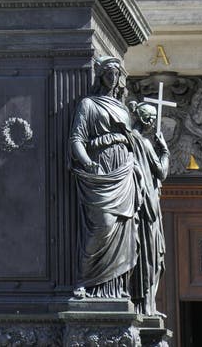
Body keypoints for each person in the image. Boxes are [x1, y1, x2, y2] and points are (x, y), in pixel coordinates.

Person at [69, 56, 139, 299]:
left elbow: (131, 140)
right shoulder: (88, 104)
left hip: (123, 172)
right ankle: (83, 280)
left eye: (117, 73)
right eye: (109, 72)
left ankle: (114, 288)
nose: (113, 77)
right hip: (100, 170)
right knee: (104, 225)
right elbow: (76, 139)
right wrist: (88, 162)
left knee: (123, 228)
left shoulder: (122, 108)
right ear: (100, 75)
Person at [130, 101, 170, 316]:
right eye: (153, 119)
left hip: (138, 203)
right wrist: (164, 149)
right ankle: (146, 307)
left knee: (146, 257)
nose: (154, 123)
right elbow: (161, 171)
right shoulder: (144, 143)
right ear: (145, 120)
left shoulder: (130, 139)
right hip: (148, 206)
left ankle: (146, 307)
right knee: (151, 257)